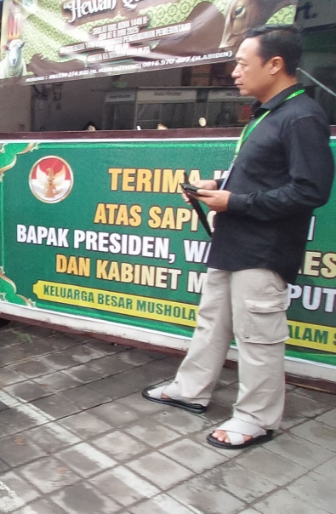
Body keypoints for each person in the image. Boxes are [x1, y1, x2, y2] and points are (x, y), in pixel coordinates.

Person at [143, 25, 334, 449]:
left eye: (243, 63)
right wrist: (215, 185)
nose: (234, 72)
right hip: (232, 244)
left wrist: (236, 202)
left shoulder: (302, 116)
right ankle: (191, 390)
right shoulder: (267, 112)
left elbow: (311, 191)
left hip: (264, 251)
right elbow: (260, 176)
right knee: (211, 324)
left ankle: (255, 418)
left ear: (275, 64)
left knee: (258, 337)